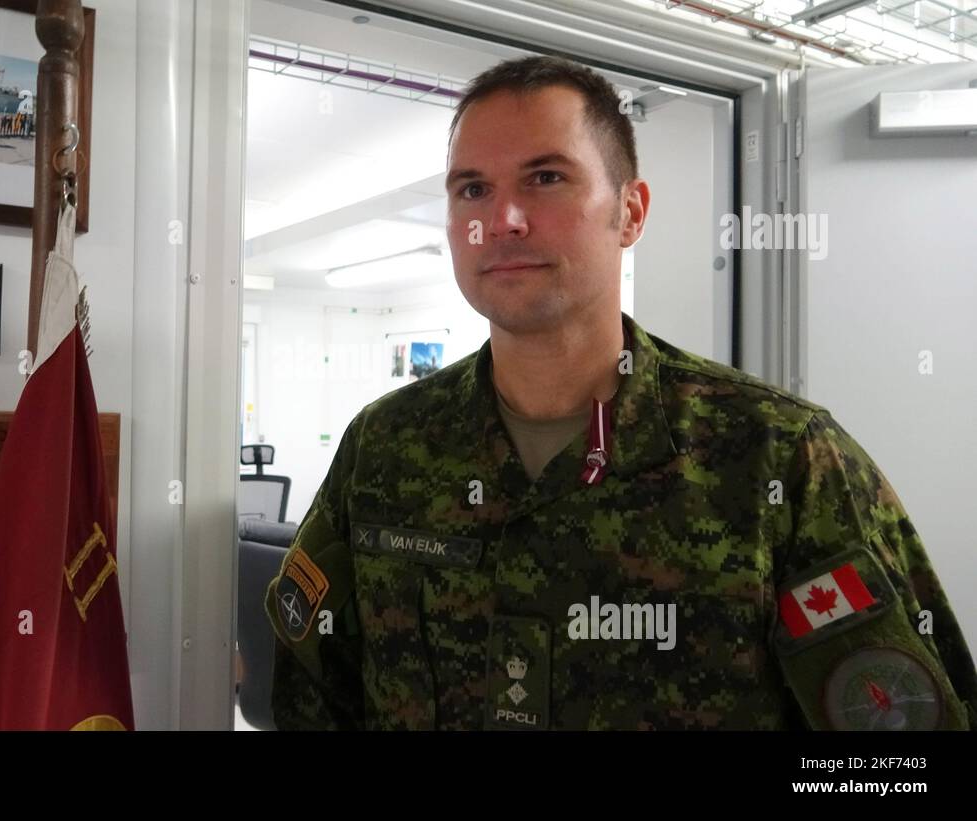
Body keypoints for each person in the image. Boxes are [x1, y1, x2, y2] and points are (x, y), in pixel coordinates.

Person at [264, 54, 977, 731]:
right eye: (473, 188)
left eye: (545, 178)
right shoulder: (384, 449)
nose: (503, 219)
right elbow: (312, 699)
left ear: (630, 213)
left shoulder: (777, 456)